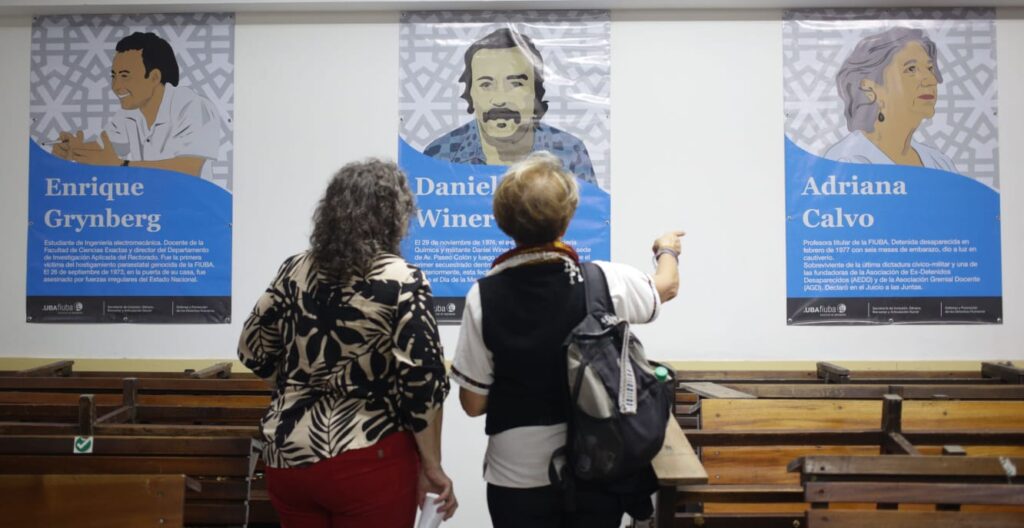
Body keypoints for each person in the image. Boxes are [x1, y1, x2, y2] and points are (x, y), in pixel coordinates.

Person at [450, 151, 684, 527]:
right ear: (567, 218)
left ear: (503, 221)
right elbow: (666, 287)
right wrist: (666, 249)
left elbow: (473, 403)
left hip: (516, 477)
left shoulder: (483, 296)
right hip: (598, 466)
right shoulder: (602, 281)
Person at [238, 159, 457, 527]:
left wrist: (297, 385)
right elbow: (423, 382)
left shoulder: (295, 269)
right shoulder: (402, 279)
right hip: (367, 456)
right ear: (394, 217)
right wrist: (432, 466)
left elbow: (252, 349)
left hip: (287, 460)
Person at [423, 28, 597, 185]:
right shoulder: (439, 156)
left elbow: (588, 217)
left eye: (515, 84)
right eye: (486, 84)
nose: (499, 99)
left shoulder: (570, 153)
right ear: (471, 93)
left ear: (535, 91)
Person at [52, 32, 221, 178]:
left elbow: (189, 169)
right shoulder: (128, 114)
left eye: (125, 76)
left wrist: (122, 166)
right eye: (114, 76)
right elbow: (104, 151)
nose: (115, 86)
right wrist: (73, 150)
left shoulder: (193, 107)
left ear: (154, 77)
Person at [823, 27, 958, 173]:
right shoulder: (846, 162)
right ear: (870, 89)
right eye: (911, 69)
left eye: (930, 68)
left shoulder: (940, 164)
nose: (932, 80)